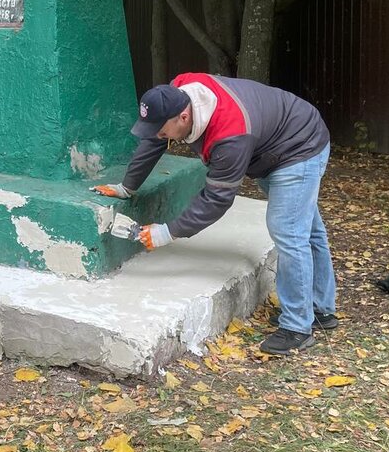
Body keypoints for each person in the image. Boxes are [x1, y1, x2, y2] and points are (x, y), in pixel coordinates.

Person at [93, 73, 337, 356]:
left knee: (288, 230)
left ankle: (297, 327)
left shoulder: (230, 135)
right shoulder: (176, 92)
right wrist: (127, 187)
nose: (160, 135)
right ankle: (320, 308)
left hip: (298, 147)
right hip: (272, 145)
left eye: (163, 130)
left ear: (183, 117)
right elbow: (154, 140)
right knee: (305, 229)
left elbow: (217, 200)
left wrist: (166, 232)